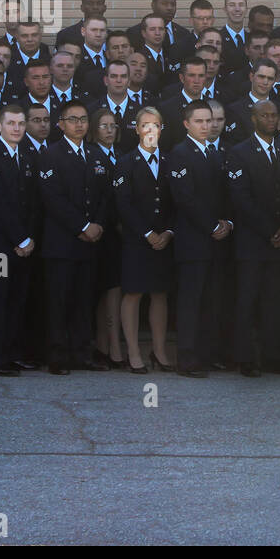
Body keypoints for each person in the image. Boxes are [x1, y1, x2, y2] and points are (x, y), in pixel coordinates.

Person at [228, 100, 280, 375]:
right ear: (253, 118)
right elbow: (241, 199)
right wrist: (271, 229)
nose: (270, 119)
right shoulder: (239, 153)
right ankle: (246, 359)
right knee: (247, 301)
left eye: (273, 115)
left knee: (275, 302)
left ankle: (273, 357)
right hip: (253, 241)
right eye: (264, 115)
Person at [38, 100, 110, 374]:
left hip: (90, 242)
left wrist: (99, 224)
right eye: (72, 119)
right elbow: (52, 198)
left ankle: (83, 353)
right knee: (59, 302)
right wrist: (82, 226)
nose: (79, 124)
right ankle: (57, 356)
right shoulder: (50, 155)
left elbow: (104, 195)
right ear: (61, 124)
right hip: (62, 242)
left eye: (83, 119)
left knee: (84, 301)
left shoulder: (96, 155)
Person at [0, 104, 40, 376]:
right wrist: (20, 238)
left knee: (17, 300)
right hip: (0, 247)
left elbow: (34, 202)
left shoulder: (27, 156)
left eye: (21, 124)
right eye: (11, 123)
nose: (17, 128)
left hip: (23, 246)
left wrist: (30, 238)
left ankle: (10, 354)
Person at [167, 101, 231, 377]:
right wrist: (211, 225)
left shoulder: (216, 154)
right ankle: (187, 358)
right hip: (193, 241)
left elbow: (226, 194)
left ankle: (206, 355)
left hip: (216, 240)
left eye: (210, 121)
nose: (207, 126)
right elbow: (185, 198)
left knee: (213, 301)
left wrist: (227, 222)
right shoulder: (180, 154)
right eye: (200, 121)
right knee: (190, 302)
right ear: (186, 124)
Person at [112, 107, 173, 373]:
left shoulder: (170, 161)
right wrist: (147, 234)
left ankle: (159, 351)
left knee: (159, 293)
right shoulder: (126, 162)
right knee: (134, 292)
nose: (151, 130)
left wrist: (168, 232)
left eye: (156, 125)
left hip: (164, 240)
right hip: (137, 240)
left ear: (162, 129)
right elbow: (123, 204)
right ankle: (134, 352)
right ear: (137, 130)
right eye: (145, 125)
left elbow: (176, 202)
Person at [88, 108, 124, 367]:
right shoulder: (89, 156)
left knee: (113, 290)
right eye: (104, 126)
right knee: (102, 291)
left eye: (113, 125)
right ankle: (106, 346)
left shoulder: (122, 156)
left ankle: (111, 347)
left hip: (119, 235)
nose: (109, 130)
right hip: (97, 231)